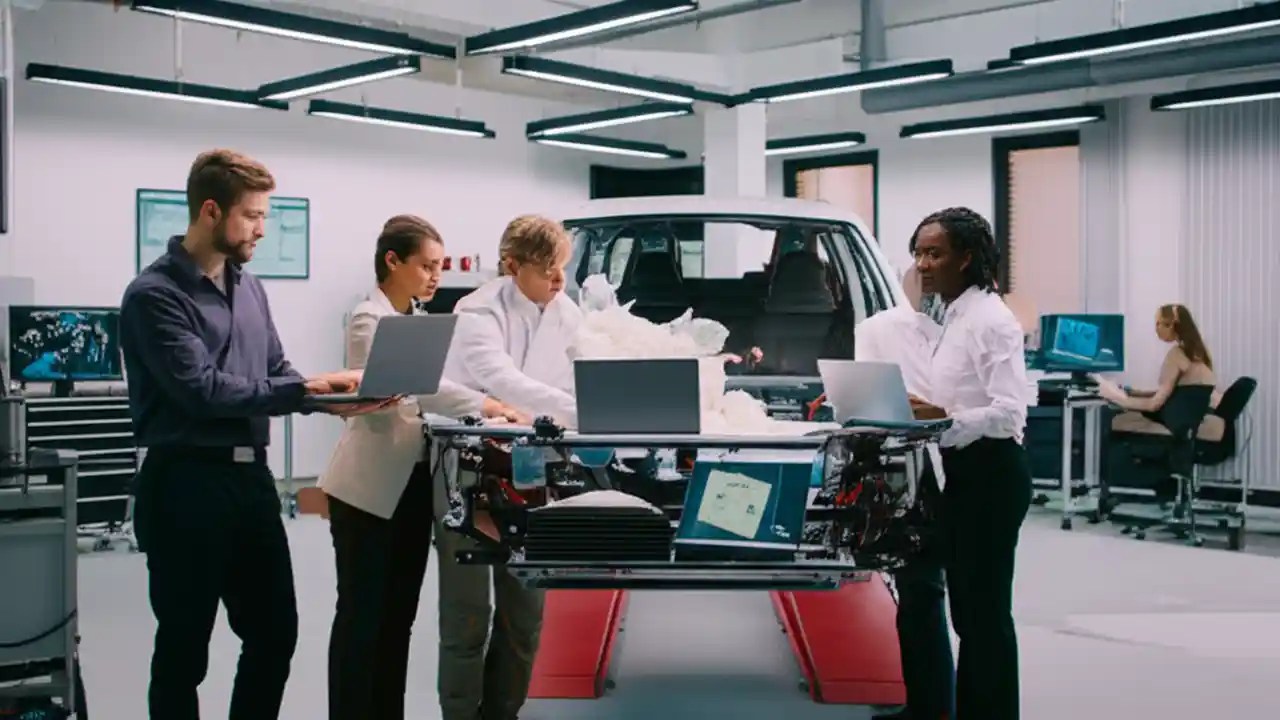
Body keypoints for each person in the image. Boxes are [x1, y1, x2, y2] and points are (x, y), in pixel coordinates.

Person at [120, 149, 374, 719]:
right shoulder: (154, 296)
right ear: (211, 211)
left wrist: (332, 399)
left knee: (274, 633)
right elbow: (203, 391)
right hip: (185, 484)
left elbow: (276, 371)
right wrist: (306, 389)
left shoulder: (250, 287)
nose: (263, 228)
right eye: (253, 215)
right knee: (185, 649)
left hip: (250, 483)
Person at [317, 215, 525, 720]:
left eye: (438, 266)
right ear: (393, 261)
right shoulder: (370, 319)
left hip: (413, 486)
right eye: (427, 265)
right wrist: (489, 404)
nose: (436, 275)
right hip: (367, 492)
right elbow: (412, 385)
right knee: (361, 618)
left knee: (398, 620)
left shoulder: (416, 318)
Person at [433, 213, 580, 720]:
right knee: (468, 615)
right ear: (513, 266)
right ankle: (459, 713)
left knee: (525, 613)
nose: (559, 282)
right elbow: (501, 378)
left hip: (531, 466)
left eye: (563, 269)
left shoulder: (564, 309)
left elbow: (590, 357)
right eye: (548, 271)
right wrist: (577, 411)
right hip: (470, 467)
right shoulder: (477, 311)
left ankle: (504, 712)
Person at [907, 207, 1035, 720]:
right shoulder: (954, 315)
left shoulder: (992, 321)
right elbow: (959, 397)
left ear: (967, 257)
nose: (923, 263)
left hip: (991, 475)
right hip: (961, 473)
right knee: (966, 611)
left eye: (934, 252)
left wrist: (942, 421)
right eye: (918, 252)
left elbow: (1009, 413)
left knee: (983, 618)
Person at [855, 265, 954, 720]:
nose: (926, 276)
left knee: (928, 590)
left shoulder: (970, 328)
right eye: (921, 263)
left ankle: (935, 705)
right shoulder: (880, 328)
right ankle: (930, 704)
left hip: (940, 464)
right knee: (921, 589)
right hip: (922, 462)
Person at [1096, 303, 1217, 425]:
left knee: (1108, 412)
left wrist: (1114, 397)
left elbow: (1153, 405)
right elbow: (1176, 392)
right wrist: (1135, 393)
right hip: (1186, 418)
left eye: (1159, 323)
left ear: (1171, 325)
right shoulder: (1200, 353)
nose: (1156, 328)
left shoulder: (1177, 354)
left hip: (1174, 421)